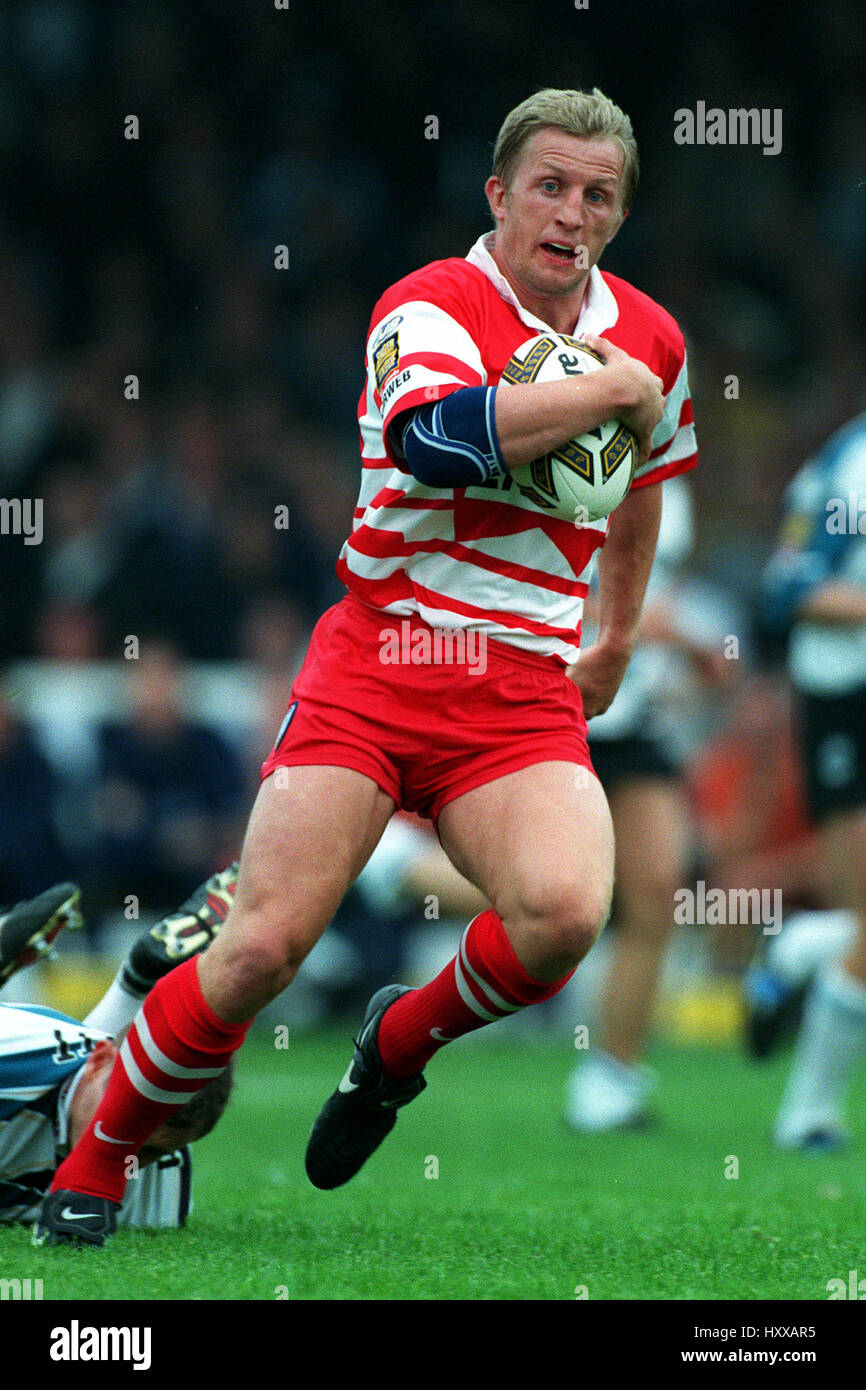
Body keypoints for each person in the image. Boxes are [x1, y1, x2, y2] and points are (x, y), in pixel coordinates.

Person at [37, 86, 697, 1245]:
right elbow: (429, 440)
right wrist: (601, 390)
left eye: (598, 196)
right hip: (376, 665)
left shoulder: (650, 336)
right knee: (260, 948)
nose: (572, 212)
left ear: (618, 215)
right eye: (549, 186)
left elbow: (640, 486)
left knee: (561, 915)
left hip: (519, 688)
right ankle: (93, 1164)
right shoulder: (429, 303)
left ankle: (395, 1045)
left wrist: (617, 632)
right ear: (497, 196)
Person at [0, 867, 237, 1240]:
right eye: (123, 1114)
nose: (128, 1162)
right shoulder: (14, 1064)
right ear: (97, 1062)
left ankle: (136, 981)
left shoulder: (159, 1187)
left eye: (149, 1153)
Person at [759, 409, 866, 1150]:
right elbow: (788, 589)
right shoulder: (853, 469)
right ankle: (808, 1112)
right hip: (846, 698)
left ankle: (801, 949)